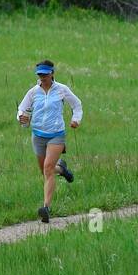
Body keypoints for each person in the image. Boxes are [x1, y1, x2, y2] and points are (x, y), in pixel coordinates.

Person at [16, 59, 82, 223]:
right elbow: (21, 109)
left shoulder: (61, 90)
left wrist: (76, 119)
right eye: (40, 74)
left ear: (52, 73)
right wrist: (21, 117)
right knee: (46, 171)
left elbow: (77, 105)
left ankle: (46, 208)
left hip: (56, 134)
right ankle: (62, 169)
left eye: (45, 74)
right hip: (37, 135)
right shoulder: (33, 92)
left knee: (47, 168)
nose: (42, 77)